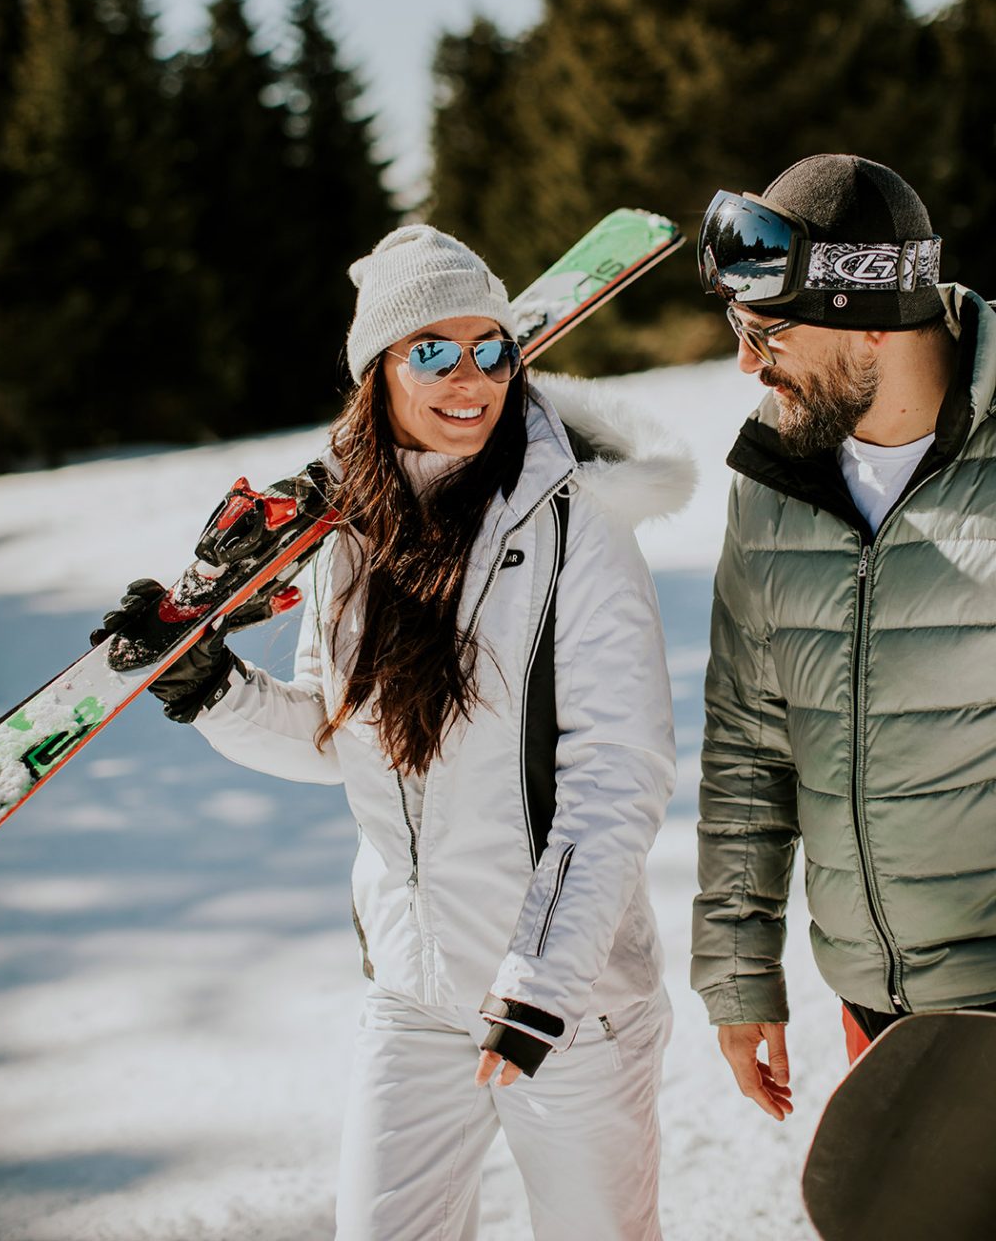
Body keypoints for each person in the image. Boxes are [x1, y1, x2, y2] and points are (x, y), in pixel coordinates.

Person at [104, 226, 694, 1239]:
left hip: (570, 1008)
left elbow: (615, 778)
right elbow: (340, 741)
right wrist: (207, 687)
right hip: (414, 999)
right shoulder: (351, 537)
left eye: (490, 349)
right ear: (375, 372)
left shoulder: (573, 530)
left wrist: (537, 991)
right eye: (431, 352)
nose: (469, 380)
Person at [691, 153, 996, 1122]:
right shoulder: (776, 479)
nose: (745, 361)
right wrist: (737, 968)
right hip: (880, 1007)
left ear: (872, 320)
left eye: (768, 331)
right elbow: (749, 736)